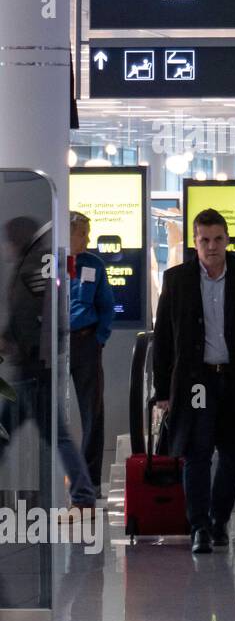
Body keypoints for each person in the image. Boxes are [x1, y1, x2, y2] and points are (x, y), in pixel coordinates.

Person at [152, 209, 235, 554]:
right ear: (194, 243)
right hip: (196, 381)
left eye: (217, 239)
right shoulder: (177, 280)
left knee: (233, 454)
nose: (211, 246)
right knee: (197, 452)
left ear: (227, 240)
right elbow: (163, 337)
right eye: (204, 240)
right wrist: (161, 391)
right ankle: (199, 526)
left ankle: (219, 519)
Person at [0, 216, 97, 511]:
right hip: (30, 369)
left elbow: (33, 318)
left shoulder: (33, 265)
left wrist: (20, 347)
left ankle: (83, 495)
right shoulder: (33, 263)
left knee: (57, 436)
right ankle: (83, 495)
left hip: (32, 371)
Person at [68, 211, 115, 497]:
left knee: (93, 412)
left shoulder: (94, 265)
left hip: (86, 344)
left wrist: (99, 339)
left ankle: (90, 481)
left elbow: (107, 306)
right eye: (82, 233)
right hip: (54, 345)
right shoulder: (51, 262)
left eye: (88, 232)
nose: (87, 239)